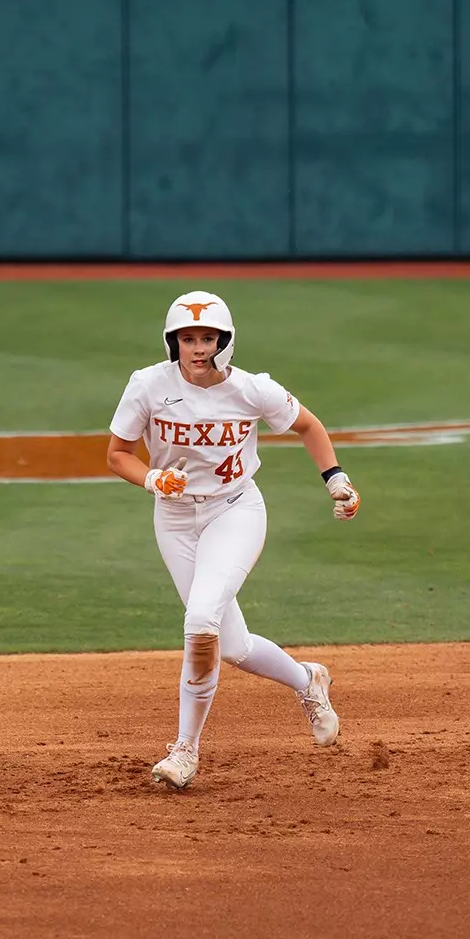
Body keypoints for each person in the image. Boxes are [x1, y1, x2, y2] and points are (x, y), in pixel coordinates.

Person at [104, 291, 362, 789]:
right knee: (233, 645)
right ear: (172, 342)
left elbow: (308, 425)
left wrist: (336, 480)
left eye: (208, 338)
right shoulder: (148, 385)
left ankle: (185, 750)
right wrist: (153, 479)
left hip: (234, 509)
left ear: (225, 341)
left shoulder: (252, 389)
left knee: (201, 620)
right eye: (187, 338)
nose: (198, 348)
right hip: (174, 519)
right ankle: (308, 680)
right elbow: (118, 454)